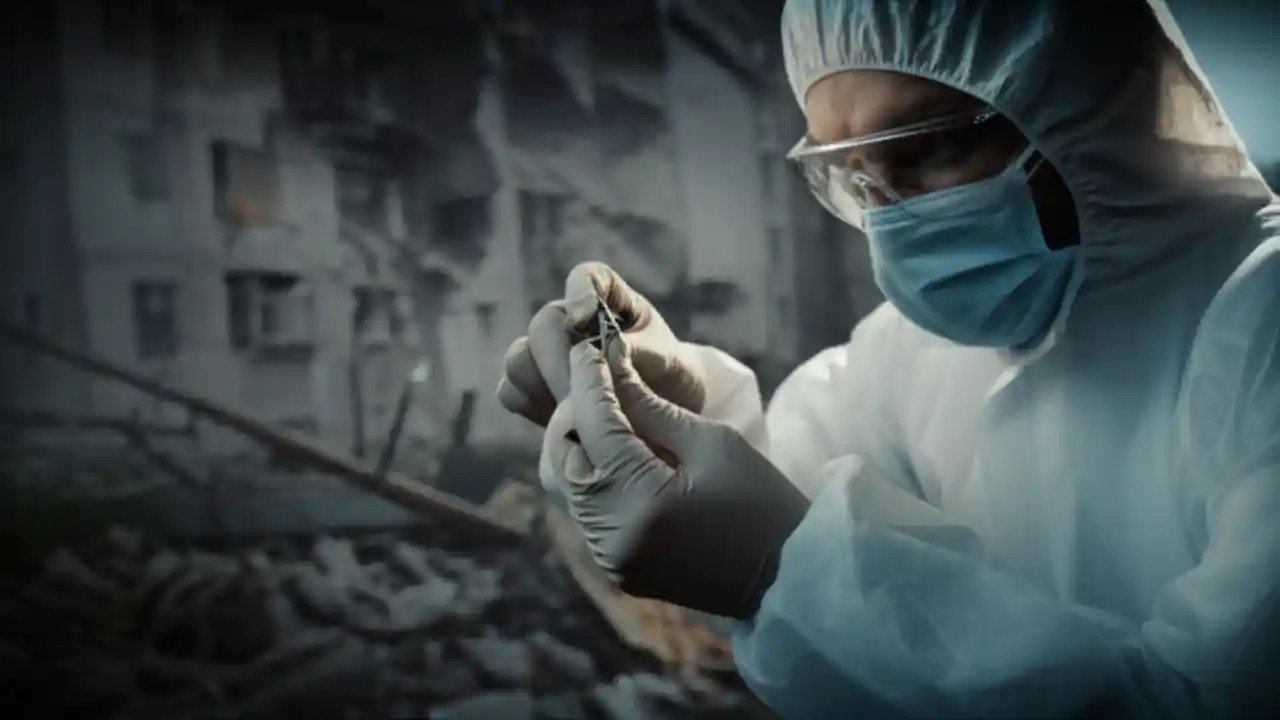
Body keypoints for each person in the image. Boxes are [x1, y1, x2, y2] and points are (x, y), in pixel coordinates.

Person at [496, 0, 1280, 716]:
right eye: (854, 174)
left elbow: (1205, 704)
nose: (895, 222)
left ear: (1100, 104)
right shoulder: (916, 350)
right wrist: (676, 423)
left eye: (930, 148)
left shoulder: (1261, 318)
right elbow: (786, 506)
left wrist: (785, 573)